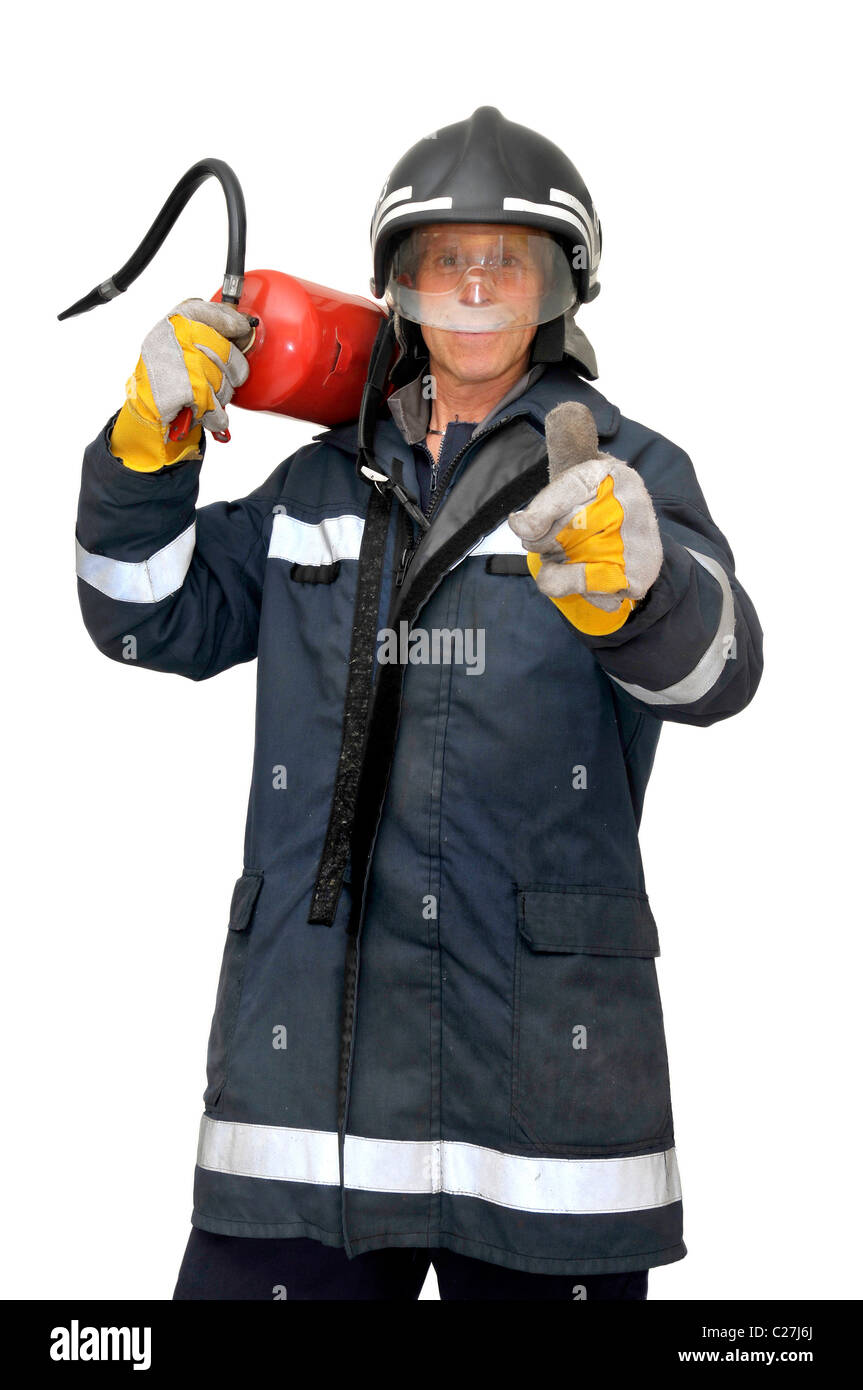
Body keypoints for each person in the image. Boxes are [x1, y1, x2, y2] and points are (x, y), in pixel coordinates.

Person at [74, 106, 764, 1301]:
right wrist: (146, 449)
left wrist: (639, 588)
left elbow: (721, 671)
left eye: (510, 257)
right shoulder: (314, 486)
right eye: (448, 256)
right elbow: (145, 611)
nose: (477, 281)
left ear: (561, 287)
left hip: (539, 1100)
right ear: (399, 285)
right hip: (309, 1102)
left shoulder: (616, 475)